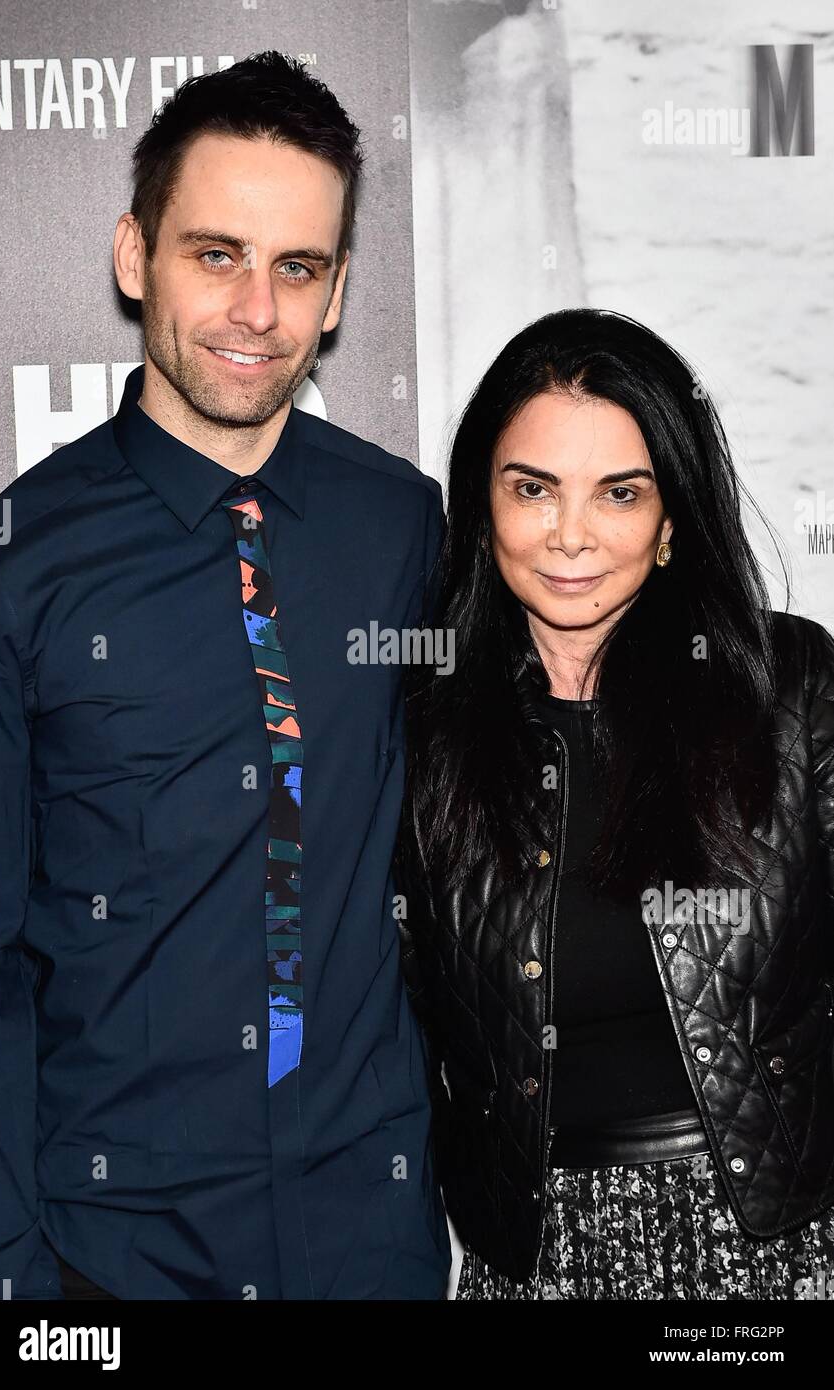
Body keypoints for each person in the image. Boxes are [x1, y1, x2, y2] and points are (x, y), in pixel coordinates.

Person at [0, 51, 450, 1301]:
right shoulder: (10, 564)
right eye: (216, 253)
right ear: (136, 256)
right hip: (117, 1255)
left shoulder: (402, 527)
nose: (256, 310)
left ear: (340, 292)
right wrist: (11, 1275)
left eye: (297, 267)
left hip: (372, 1237)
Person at [394, 307, 834, 1300]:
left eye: (619, 493)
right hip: (535, 1262)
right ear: (484, 503)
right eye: (532, 489)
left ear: (671, 521)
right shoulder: (427, 735)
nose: (571, 535)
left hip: (772, 1251)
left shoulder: (792, 689)